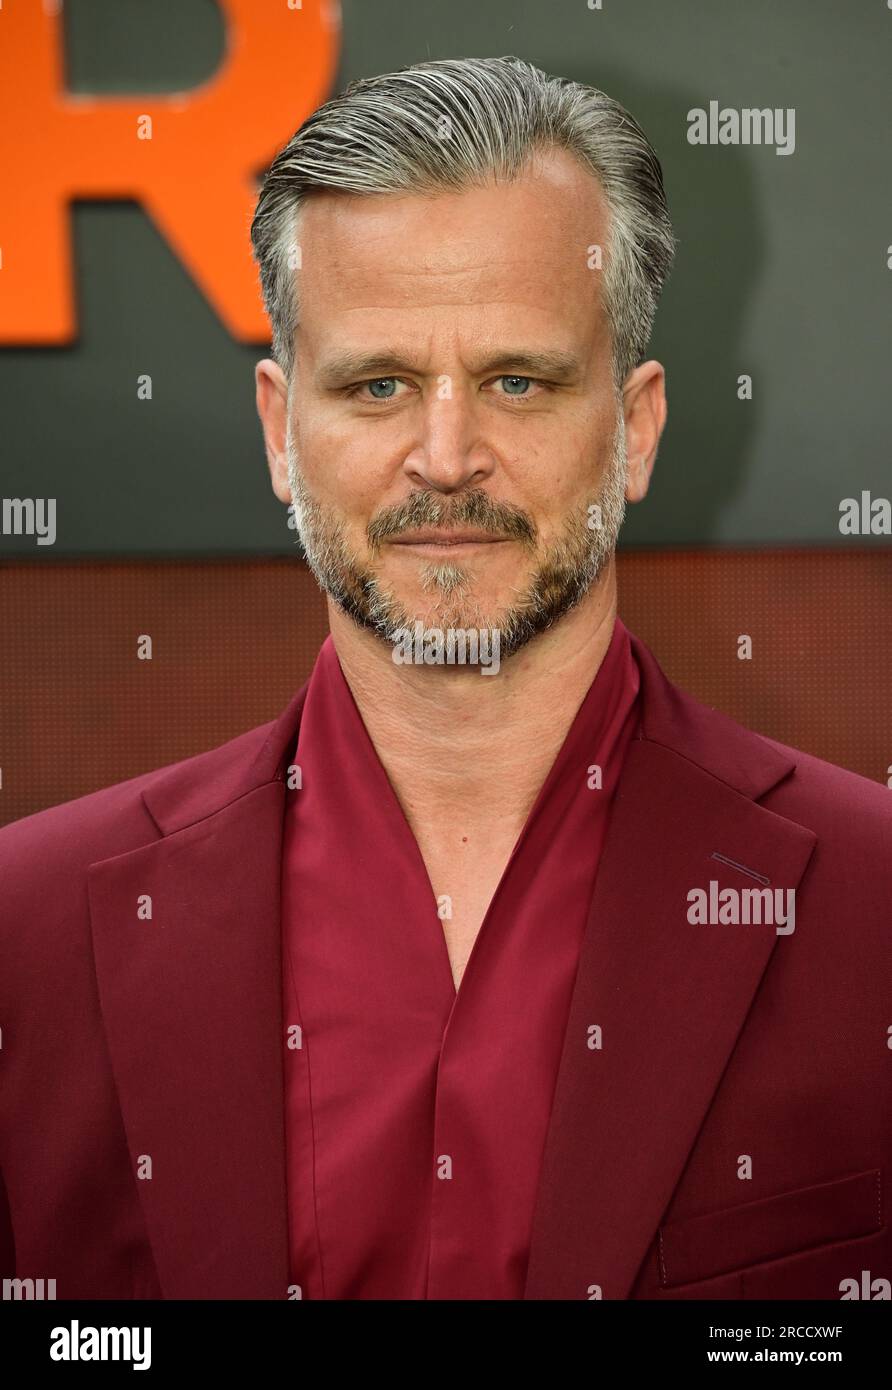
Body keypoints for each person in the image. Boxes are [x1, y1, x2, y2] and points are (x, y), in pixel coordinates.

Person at [0, 57, 888, 1302]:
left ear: (633, 429)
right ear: (277, 430)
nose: (446, 456)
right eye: (378, 386)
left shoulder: (874, 910)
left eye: (517, 381)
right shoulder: (25, 934)